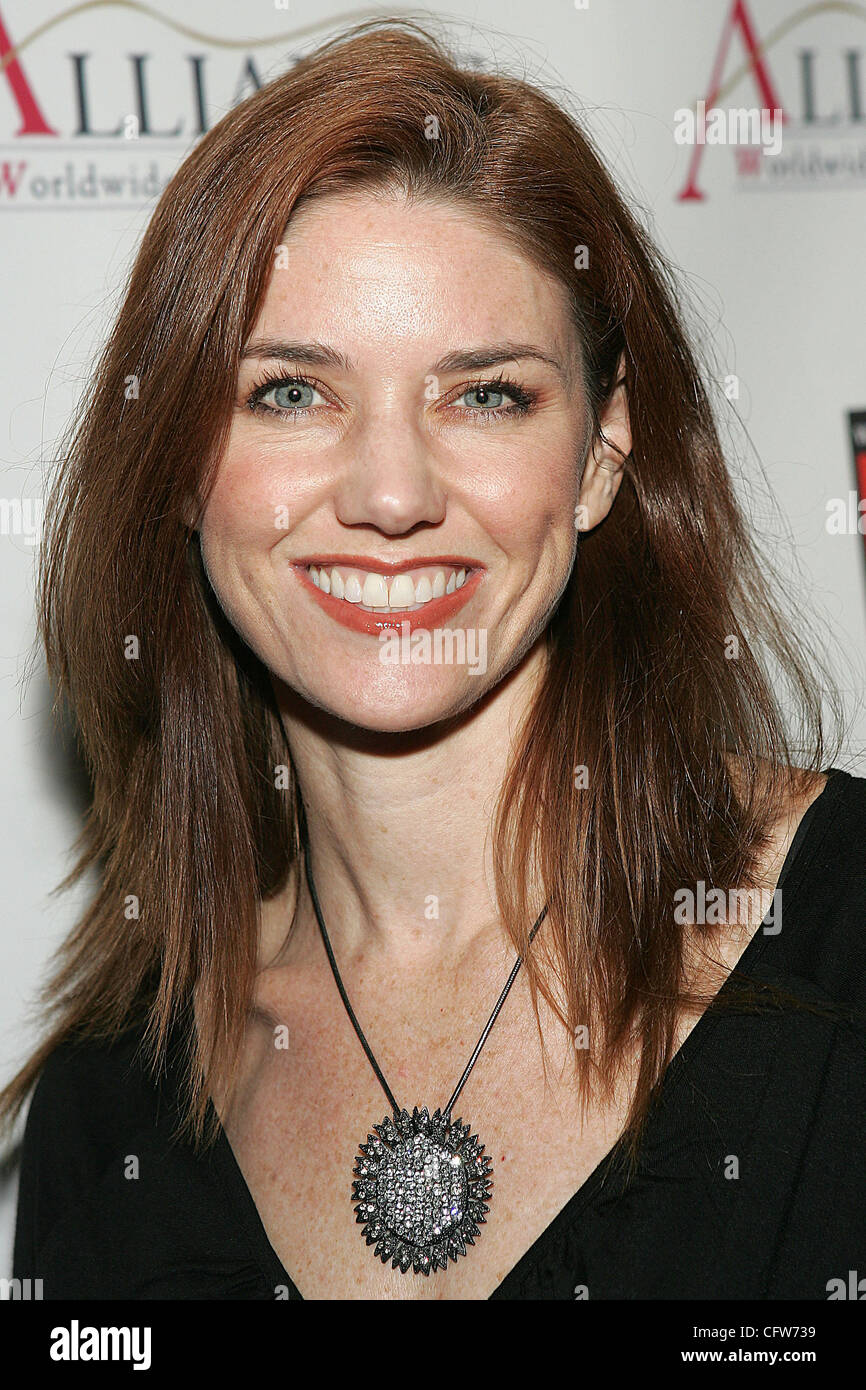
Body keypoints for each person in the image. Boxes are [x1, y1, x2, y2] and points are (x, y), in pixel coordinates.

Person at [4, 18, 865, 1301]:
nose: (392, 493)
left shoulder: (843, 934)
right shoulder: (109, 1106)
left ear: (600, 454)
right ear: (181, 465)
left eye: (485, 394)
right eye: (290, 392)